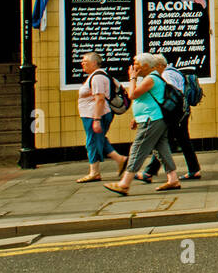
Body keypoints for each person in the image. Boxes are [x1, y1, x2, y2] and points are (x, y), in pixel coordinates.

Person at [104, 52, 181, 195]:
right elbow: (146, 100)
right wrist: (136, 117)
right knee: (161, 149)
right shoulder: (152, 78)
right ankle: (173, 179)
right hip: (154, 118)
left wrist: (132, 77)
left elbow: (133, 95)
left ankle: (124, 183)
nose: (133, 66)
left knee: (138, 148)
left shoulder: (151, 78)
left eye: (136, 63)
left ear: (146, 66)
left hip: (151, 120)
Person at [138, 53, 201, 182]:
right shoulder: (174, 71)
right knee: (182, 141)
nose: (152, 69)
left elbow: (172, 93)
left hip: (175, 114)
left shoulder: (167, 74)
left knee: (163, 141)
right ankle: (194, 169)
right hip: (182, 111)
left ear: (161, 65)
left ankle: (149, 172)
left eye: (154, 66)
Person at [75, 51, 127, 182]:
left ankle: (94, 172)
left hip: (95, 114)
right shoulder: (99, 75)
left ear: (94, 63)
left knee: (92, 142)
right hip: (93, 114)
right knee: (99, 139)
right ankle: (120, 159)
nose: (82, 64)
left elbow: (100, 99)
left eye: (85, 62)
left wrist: (96, 120)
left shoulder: (97, 77)